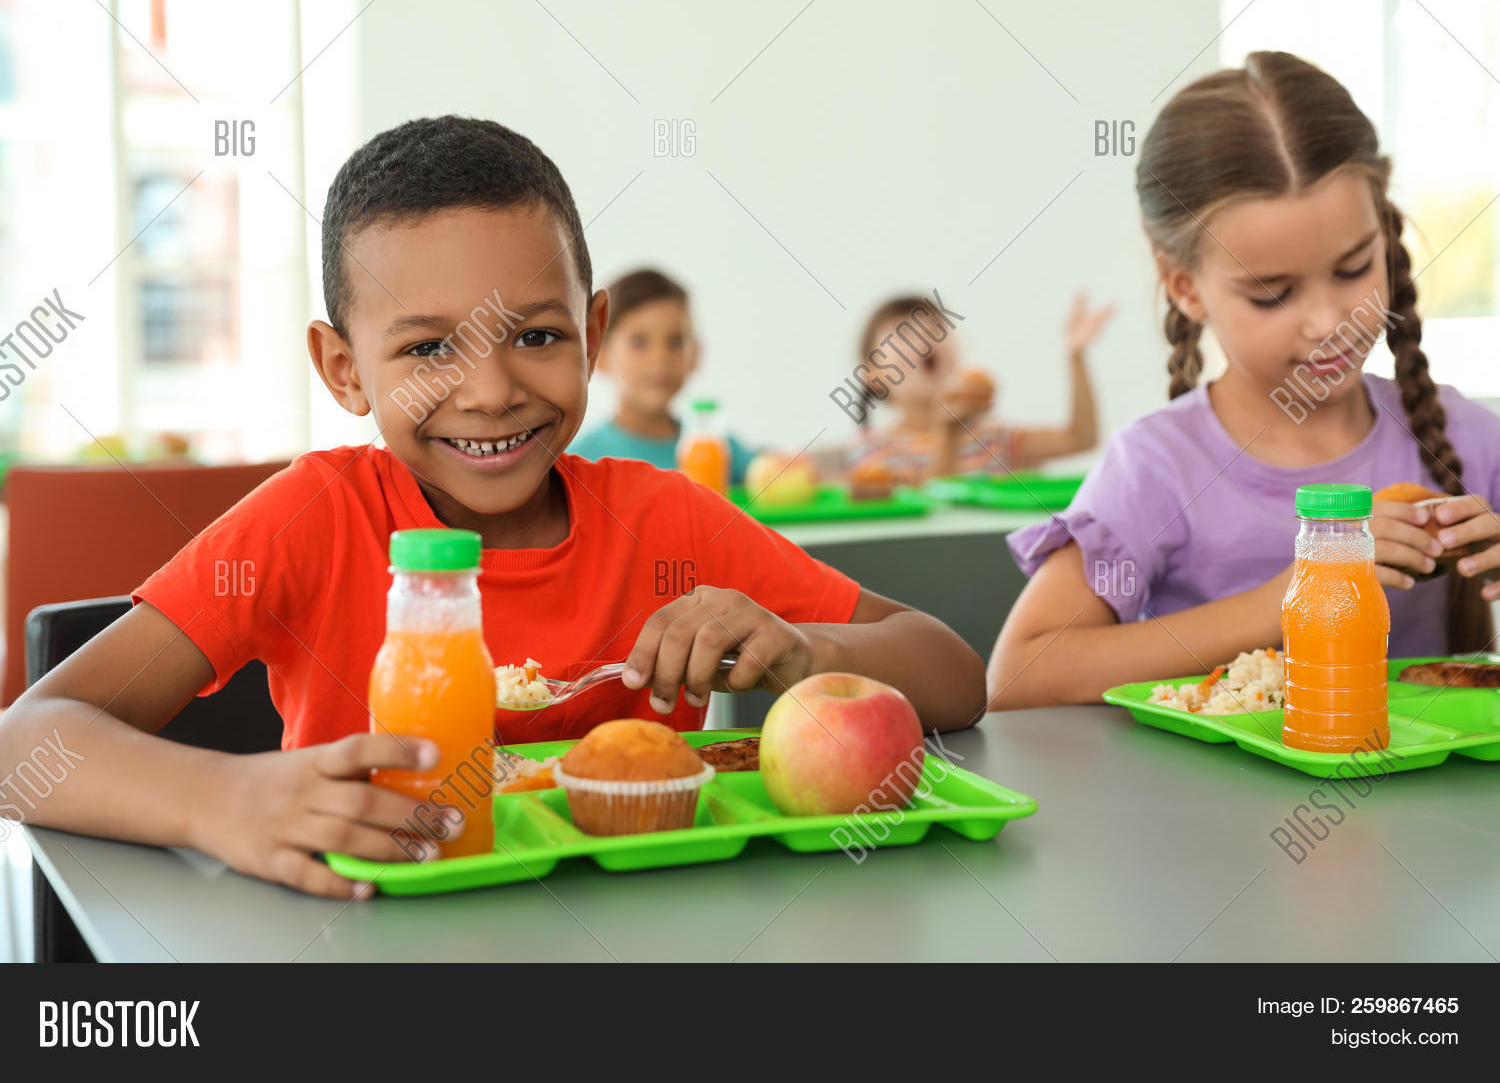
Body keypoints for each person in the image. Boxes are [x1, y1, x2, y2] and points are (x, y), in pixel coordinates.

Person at [0, 117, 985, 898]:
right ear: (344, 369)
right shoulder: (316, 518)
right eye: (429, 349)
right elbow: (22, 747)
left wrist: (805, 650)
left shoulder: (667, 522)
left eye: (538, 336)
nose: (489, 392)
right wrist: (224, 798)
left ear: (593, 333)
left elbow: (953, 675)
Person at [988, 51, 1500, 710]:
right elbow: (1019, 675)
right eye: (1272, 294)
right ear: (1185, 286)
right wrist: (1291, 598)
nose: (1327, 321)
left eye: (1353, 269)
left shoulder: (1466, 438)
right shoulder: (1158, 470)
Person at [839, 291, 1112, 484]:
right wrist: (948, 430)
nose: (924, 336)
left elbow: (1081, 438)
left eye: (936, 327)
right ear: (872, 374)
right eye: (905, 333)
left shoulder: (993, 438)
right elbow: (931, 520)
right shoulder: (872, 449)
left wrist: (1076, 357)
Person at [571, 268, 754, 482]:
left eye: (675, 342)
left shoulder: (718, 449)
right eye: (640, 342)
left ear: (695, 354)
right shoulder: (581, 463)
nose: (660, 358)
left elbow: (771, 473)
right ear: (598, 354)